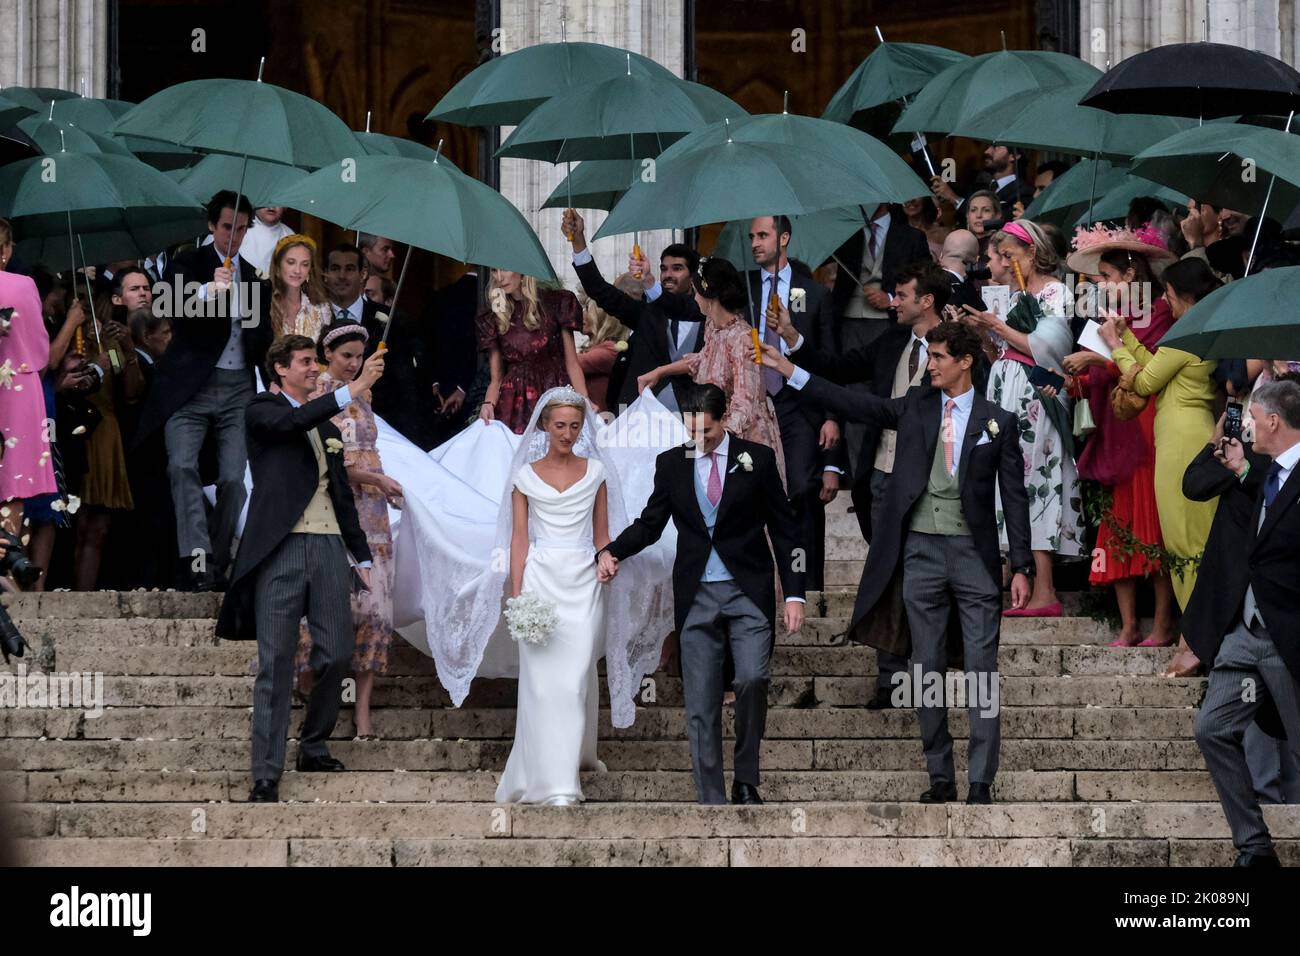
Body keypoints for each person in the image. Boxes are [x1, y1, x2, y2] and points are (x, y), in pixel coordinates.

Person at [769, 320, 1032, 803]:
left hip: (975, 557)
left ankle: (980, 779)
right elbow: (860, 405)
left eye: (937, 358)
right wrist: (792, 370)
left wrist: (1022, 565)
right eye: (928, 356)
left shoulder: (999, 420)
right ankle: (940, 775)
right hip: (920, 553)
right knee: (926, 669)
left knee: (982, 669)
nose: (927, 365)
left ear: (965, 362)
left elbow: (1014, 497)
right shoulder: (915, 407)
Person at [769, 260, 976, 707]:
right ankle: (890, 679)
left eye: (902, 296)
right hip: (882, 474)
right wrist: (791, 339)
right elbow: (840, 370)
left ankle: (926, 672)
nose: (893, 302)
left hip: (933, 484)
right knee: (885, 571)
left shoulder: (961, 350)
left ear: (927, 301)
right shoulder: (894, 340)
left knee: (922, 577)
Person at [598, 383, 806, 805]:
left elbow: (786, 531)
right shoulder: (672, 464)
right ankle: (711, 796)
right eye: (692, 432)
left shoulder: (758, 460)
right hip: (696, 594)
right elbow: (651, 522)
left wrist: (795, 594)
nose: (699, 441)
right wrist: (611, 550)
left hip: (747, 590)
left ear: (724, 420)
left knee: (752, 678)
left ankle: (746, 778)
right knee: (701, 699)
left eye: (707, 433)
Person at [215, 335, 385, 803]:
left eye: (315, 361)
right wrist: (354, 389)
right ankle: (265, 773)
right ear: (280, 369)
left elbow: (341, 496)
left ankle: (313, 744)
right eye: (306, 362)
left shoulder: (328, 428)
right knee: (275, 662)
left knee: (336, 653)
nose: (315, 369)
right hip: (280, 550)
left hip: (330, 547)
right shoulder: (261, 409)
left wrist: (362, 556)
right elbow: (291, 422)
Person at [1185, 379, 1300, 866]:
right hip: (1243, 632)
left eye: (1253, 416)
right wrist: (1232, 459)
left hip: (1288, 634)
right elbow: (1196, 484)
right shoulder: (1257, 468)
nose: (1246, 423)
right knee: (1211, 728)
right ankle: (1254, 848)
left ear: (1274, 421)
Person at [135, 190, 273, 590]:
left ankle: (216, 557)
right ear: (212, 226)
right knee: (180, 467)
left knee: (233, 479)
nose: (234, 236)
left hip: (238, 389)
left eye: (243, 229)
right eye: (228, 227)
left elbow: (260, 337)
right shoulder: (187, 264)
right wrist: (208, 292)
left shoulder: (253, 278)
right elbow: (166, 306)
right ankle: (196, 561)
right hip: (189, 390)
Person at [1101, 256, 1220, 675]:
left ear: (1183, 297)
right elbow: (1154, 366)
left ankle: (1196, 640)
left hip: (1182, 445)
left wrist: (1115, 347)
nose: (1164, 302)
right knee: (1189, 539)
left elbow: (1145, 381)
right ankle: (1199, 634)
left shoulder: (1186, 336)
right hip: (1188, 436)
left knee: (1185, 542)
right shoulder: (1203, 330)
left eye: (1168, 295)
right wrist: (1127, 338)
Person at [1063, 224, 1179, 648]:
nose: (1101, 285)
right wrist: (1079, 374)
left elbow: (1147, 370)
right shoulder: (1109, 318)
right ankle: (1129, 624)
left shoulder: (1160, 312)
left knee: (1152, 525)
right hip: (1113, 426)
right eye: (1099, 280)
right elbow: (1102, 372)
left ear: (1131, 276)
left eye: (1107, 277)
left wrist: (1097, 355)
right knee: (1116, 524)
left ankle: (1164, 624)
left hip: (1145, 428)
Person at [962, 219, 1084, 615]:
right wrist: (982, 331)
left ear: (1032, 254)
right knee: (1010, 479)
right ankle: (1021, 581)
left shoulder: (1057, 292)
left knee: (1038, 479)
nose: (1000, 263)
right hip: (1005, 389)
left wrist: (997, 325)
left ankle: (1046, 590)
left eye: (1008, 256)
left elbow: (1049, 346)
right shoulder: (1014, 297)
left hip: (1038, 393)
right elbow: (998, 350)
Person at [497, 389, 611, 804]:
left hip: (583, 582)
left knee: (575, 679)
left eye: (575, 426)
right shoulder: (523, 476)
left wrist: (606, 560)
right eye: (560, 425)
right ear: (544, 425)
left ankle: (571, 763)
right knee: (544, 685)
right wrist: (517, 595)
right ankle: (555, 783)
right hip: (540, 582)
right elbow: (519, 540)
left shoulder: (597, 471)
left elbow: (602, 536)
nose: (567, 433)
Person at [293, 322, 402, 740]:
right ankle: (311, 696)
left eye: (360, 356)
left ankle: (362, 713)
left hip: (372, 514)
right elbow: (332, 463)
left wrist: (383, 486)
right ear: (327, 354)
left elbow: (367, 452)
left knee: (375, 609)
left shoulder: (364, 393)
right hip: (334, 511)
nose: (355, 363)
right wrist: (377, 480)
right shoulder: (320, 394)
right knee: (325, 606)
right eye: (346, 356)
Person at [637, 257, 786, 484]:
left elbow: (746, 400)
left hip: (743, 439)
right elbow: (703, 359)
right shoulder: (713, 327)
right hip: (715, 434)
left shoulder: (743, 338)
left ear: (709, 294)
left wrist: (719, 439)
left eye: (696, 290)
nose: (694, 296)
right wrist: (660, 371)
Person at [563, 209, 704, 415]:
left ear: (692, 277)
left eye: (677, 268)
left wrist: (649, 282)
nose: (668, 275)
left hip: (692, 419)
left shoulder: (706, 315)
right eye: (664, 269)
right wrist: (578, 243)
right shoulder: (647, 313)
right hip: (641, 418)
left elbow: (682, 309)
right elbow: (599, 291)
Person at [325, 243, 426, 447]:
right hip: (327, 424)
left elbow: (406, 386)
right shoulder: (312, 316)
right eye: (335, 269)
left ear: (363, 274)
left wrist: (410, 441)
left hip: (382, 429)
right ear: (325, 274)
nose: (342, 276)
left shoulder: (392, 321)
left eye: (350, 269)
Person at [477, 269, 586, 434]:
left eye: (505, 269)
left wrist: (584, 402)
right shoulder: (494, 315)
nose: (499, 277)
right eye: (493, 270)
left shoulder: (556, 303)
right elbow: (496, 379)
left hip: (555, 394)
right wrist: (488, 404)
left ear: (522, 269)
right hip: (514, 405)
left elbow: (572, 364)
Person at [0, 266, 58, 536]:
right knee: (12, 484)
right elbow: (40, 354)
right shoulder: (22, 285)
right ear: (6, 251)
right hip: (16, 392)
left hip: (14, 388)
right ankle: (7, 565)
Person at [831, 204, 931, 354]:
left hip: (891, 319)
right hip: (848, 316)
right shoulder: (846, 234)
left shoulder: (912, 237)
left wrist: (891, 298)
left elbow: (925, 279)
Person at [421, 268, 479, 448]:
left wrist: (435, 384)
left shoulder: (441, 296)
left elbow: (426, 343)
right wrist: (462, 388)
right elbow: (477, 348)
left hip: (441, 390)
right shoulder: (485, 300)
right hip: (472, 390)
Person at [931, 145, 1031, 222]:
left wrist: (954, 199)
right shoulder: (979, 185)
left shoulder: (1022, 193)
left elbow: (992, 223)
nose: (987, 151)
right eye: (989, 147)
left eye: (996, 147)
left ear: (1014, 155)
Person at [575, 284, 631, 415]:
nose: (582, 315)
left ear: (603, 317)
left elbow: (570, 363)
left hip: (602, 423)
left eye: (587, 310)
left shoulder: (611, 350)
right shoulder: (597, 348)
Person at [269, 235, 332, 341]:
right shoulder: (263, 303)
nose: (297, 270)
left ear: (310, 270)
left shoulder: (321, 309)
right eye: (291, 262)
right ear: (278, 266)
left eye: (305, 264)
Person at [234, 206, 295, 275]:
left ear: (285, 207)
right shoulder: (239, 230)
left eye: (277, 202)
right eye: (266, 201)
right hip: (245, 282)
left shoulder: (290, 235)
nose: (271, 207)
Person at [902, 196, 948, 261]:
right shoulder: (896, 234)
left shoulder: (943, 233)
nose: (911, 200)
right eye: (905, 195)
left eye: (916, 195)